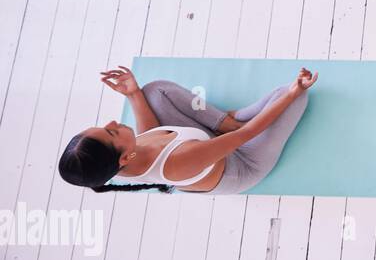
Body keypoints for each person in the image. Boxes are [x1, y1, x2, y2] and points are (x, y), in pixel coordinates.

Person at [58, 66, 315, 194]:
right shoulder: (179, 162)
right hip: (242, 161)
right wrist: (293, 93)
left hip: (208, 142)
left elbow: (153, 134)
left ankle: (227, 121)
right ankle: (231, 120)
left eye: (104, 127)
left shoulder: (121, 160)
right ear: (124, 158)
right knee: (291, 96)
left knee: (153, 92)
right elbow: (243, 137)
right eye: (112, 133)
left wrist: (134, 94)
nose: (113, 123)